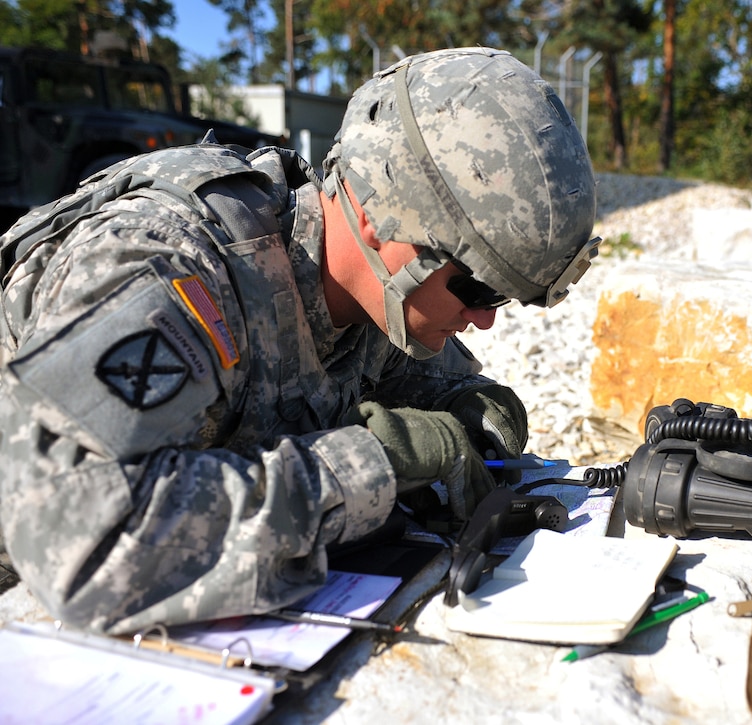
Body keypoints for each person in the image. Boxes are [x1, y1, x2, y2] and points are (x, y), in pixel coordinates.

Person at [0, 47, 598, 634]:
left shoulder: (374, 293)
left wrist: (478, 411)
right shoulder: (176, 267)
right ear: (378, 215)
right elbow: (76, 541)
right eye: (478, 289)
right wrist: (374, 464)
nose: (485, 319)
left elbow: (442, 388)